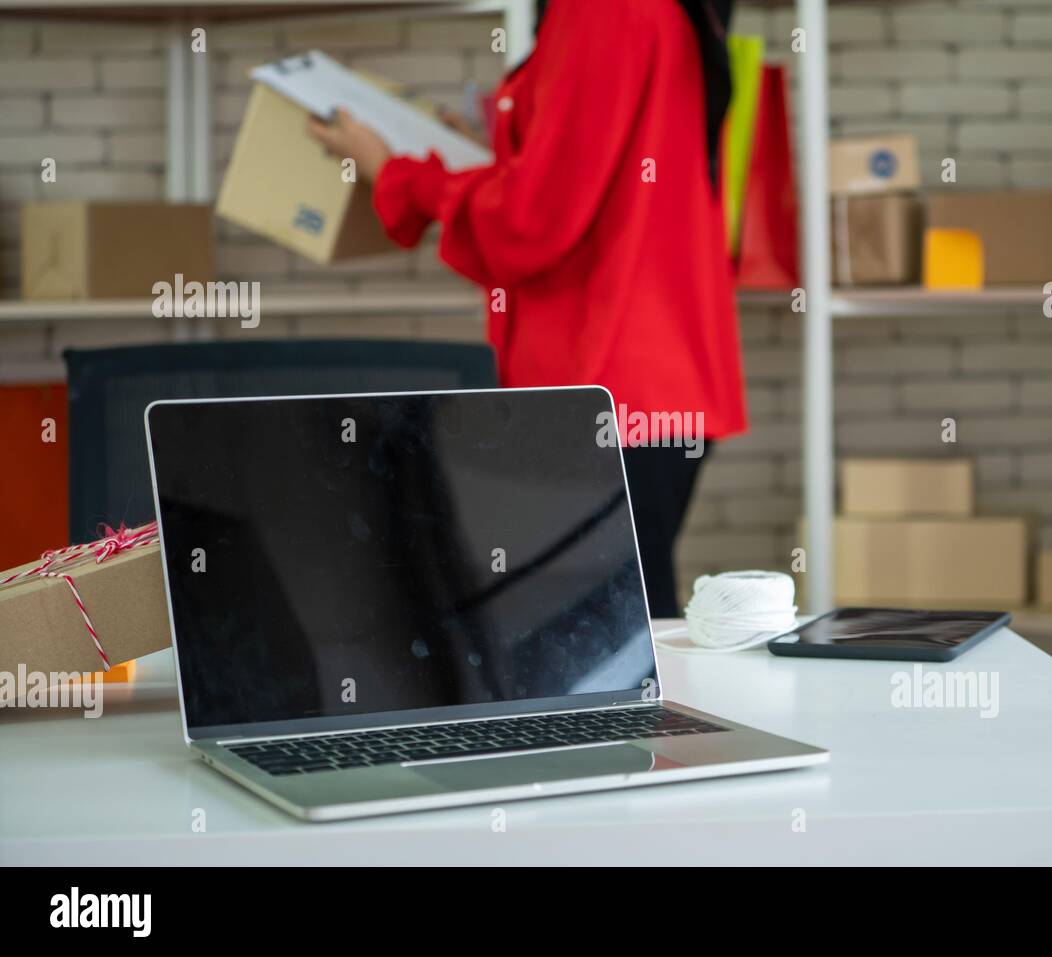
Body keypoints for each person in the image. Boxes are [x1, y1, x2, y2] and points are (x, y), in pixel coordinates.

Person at [308, 0, 745, 618]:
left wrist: (398, 173)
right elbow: (581, 184)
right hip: (648, 380)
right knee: (627, 626)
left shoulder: (602, 10)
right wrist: (494, 163)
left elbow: (532, 221)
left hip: (610, 382)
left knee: (601, 632)